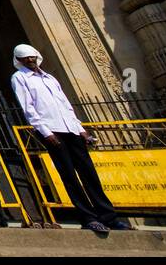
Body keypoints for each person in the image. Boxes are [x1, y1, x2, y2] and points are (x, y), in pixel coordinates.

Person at [11, 43, 129, 235]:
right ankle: (88, 218)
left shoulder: (50, 78)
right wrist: (45, 132)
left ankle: (109, 216)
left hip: (71, 128)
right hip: (52, 131)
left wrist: (80, 129)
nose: (30, 61)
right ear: (20, 61)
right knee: (69, 176)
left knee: (89, 173)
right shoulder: (20, 78)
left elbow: (65, 105)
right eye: (26, 59)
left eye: (32, 57)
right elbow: (28, 107)